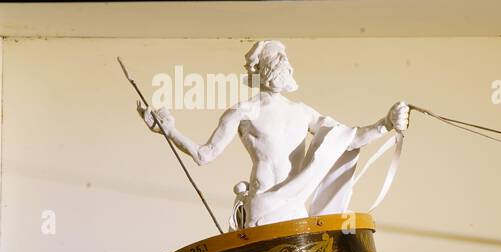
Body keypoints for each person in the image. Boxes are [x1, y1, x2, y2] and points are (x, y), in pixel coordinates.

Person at [140, 40, 409, 227]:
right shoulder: (243, 112)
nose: (287, 65)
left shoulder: (303, 112)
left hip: (295, 207)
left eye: (286, 59)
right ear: (262, 69)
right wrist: (169, 131)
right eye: (278, 58)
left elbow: (350, 138)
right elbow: (204, 155)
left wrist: (385, 123)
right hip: (263, 207)